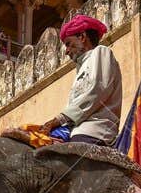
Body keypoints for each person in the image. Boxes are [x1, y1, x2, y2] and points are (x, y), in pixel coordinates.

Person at [43, 14, 122, 145]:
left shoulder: (101, 52)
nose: (66, 51)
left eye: (68, 44)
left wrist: (60, 119)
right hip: (75, 131)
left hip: (94, 132)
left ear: (82, 37)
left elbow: (96, 90)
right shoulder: (81, 67)